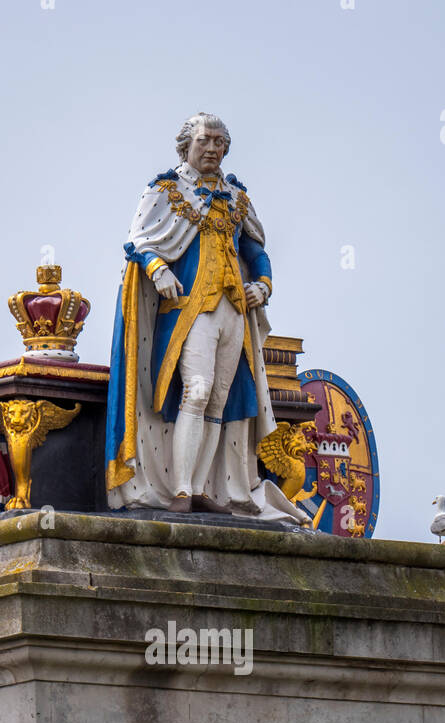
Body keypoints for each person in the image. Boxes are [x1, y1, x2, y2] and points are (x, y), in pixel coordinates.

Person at [105, 113, 307, 523]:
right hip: (189, 308)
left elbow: (255, 251)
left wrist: (264, 285)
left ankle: (199, 489)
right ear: (186, 145)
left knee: (218, 399)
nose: (213, 148)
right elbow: (140, 241)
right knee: (195, 390)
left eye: (219, 142)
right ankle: (179, 488)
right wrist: (156, 269)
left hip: (233, 310)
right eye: (205, 140)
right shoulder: (165, 189)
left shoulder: (235, 197)